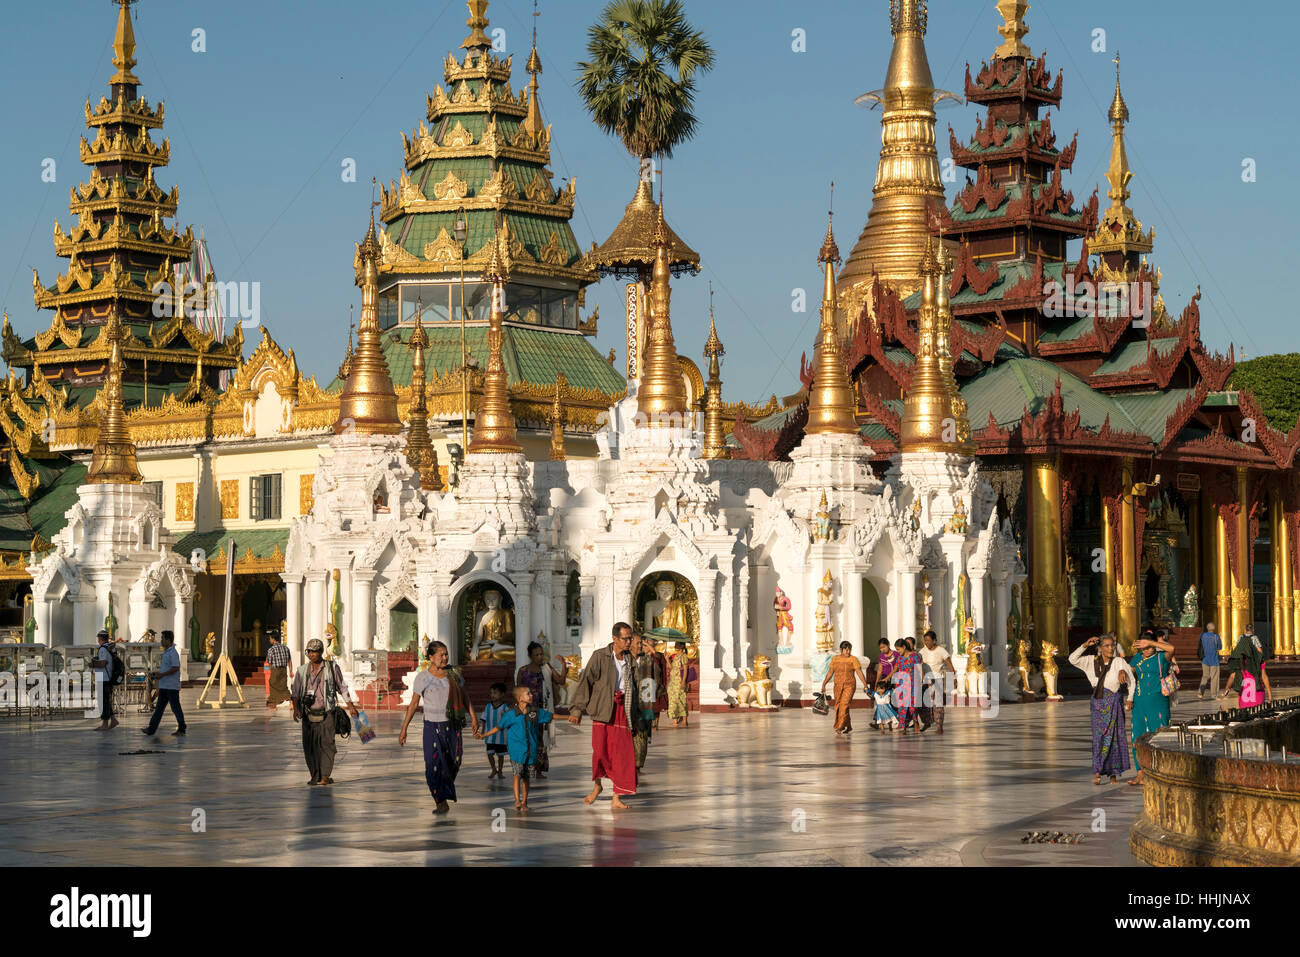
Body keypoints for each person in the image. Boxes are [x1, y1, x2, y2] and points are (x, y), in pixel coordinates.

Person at [399, 640, 479, 814]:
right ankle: (440, 799)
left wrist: (473, 717)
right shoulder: (423, 677)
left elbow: (465, 697)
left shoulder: (455, 674)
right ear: (431, 657)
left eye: (446, 654)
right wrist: (404, 728)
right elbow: (413, 704)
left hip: (453, 725)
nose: (445, 658)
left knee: (455, 760)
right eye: (441, 654)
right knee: (433, 763)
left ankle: (444, 789)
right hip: (432, 727)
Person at [567, 622, 637, 809]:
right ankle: (597, 787)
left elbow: (636, 688)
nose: (629, 641)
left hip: (624, 709)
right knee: (600, 752)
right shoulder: (600, 657)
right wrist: (576, 710)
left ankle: (616, 797)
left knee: (621, 754)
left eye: (630, 638)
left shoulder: (631, 660)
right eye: (625, 638)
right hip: (603, 709)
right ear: (614, 638)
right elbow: (585, 682)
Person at [290, 638, 359, 787]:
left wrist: (351, 706)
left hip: (327, 712)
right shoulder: (301, 671)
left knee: (327, 744)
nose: (312, 654)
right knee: (309, 746)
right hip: (308, 714)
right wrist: (296, 709)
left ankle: (325, 775)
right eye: (310, 652)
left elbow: (342, 687)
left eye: (315, 651)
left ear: (321, 652)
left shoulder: (332, 667)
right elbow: (295, 692)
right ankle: (315, 775)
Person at [1069, 635, 1136, 784]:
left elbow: (1131, 681)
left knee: (1115, 739)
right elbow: (1072, 659)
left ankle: (1113, 774)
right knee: (1099, 738)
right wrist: (1085, 644)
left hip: (1114, 703)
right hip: (1098, 703)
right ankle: (1098, 772)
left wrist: (1130, 698)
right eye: (1107, 646)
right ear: (1099, 649)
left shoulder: (1119, 662)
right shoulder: (1089, 661)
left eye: (1112, 645)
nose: (1111, 648)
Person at [476, 685, 553, 812]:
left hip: (531, 751)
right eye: (528, 693)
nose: (531, 695)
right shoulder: (511, 714)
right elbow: (498, 727)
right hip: (517, 752)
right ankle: (517, 800)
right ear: (520, 698)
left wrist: (570, 717)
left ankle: (524, 801)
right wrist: (484, 735)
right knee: (517, 774)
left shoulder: (535, 712)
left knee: (526, 778)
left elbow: (550, 716)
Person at [1127, 632, 1176, 786]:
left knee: (1159, 735)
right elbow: (1129, 671)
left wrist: (1152, 643)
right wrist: (1123, 671)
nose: (1146, 650)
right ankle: (1140, 772)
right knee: (1137, 736)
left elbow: (1172, 649)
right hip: (1140, 701)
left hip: (1158, 700)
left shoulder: (1161, 657)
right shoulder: (1138, 659)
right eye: (1143, 647)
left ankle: (1160, 772)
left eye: (1148, 646)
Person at [515, 641, 567, 779]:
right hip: (527, 710)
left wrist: (563, 665)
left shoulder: (547, 668)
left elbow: (560, 680)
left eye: (541, 654)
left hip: (542, 709)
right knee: (527, 738)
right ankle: (525, 766)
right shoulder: (523, 671)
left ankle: (538, 769)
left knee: (540, 739)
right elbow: (517, 691)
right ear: (530, 655)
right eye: (536, 654)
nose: (540, 657)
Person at [142, 630, 187, 737]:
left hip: (171, 686)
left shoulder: (173, 653)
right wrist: (159, 674)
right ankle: (151, 729)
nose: (161, 640)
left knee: (175, 708)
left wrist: (162, 675)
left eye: (162, 638)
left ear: (168, 640)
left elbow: (175, 668)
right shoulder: (166, 652)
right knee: (159, 709)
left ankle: (182, 728)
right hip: (164, 685)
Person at [821, 641, 869, 736]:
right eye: (846, 649)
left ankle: (840, 726)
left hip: (850, 685)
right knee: (838, 705)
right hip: (838, 685)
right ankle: (848, 725)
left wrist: (865, 684)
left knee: (844, 704)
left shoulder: (853, 659)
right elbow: (830, 672)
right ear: (841, 650)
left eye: (849, 649)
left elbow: (859, 672)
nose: (848, 651)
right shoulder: (835, 659)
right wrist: (824, 684)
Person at [631, 634, 661, 769]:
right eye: (637, 644)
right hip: (628, 703)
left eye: (641, 644)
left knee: (642, 733)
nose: (640, 646)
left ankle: (637, 765)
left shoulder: (647, 660)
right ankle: (629, 763)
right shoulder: (624, 660)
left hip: (644, 703)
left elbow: (657, 675)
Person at [1221, 630, 1273, 709]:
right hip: (1256, 693)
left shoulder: (1238, 661)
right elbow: (1264, 677)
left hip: (1245, 696)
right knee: (1257, 715)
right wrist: (1270, 695)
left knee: (1245, 716)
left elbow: (1232, 676)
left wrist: (1227, 687)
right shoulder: (1258, 661)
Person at [919, 630, 956, 734]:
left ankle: (939, 726)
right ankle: (927, 721)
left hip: (937, 679)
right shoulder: (922, 651)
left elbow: (949, 664)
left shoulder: (941, 651)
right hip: (925, 680)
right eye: (925, 640)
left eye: (928, 640)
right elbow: (918, 665)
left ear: (934, 641)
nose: (926, 642)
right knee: (923, 703)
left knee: (938, 704)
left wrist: (953, 678)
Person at [892, 637, 924, 734]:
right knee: (902, 707)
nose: (897, 652)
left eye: (898, 649)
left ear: (904, 647)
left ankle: (915, 721)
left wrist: (923, 682)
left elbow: (920, 669)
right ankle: (903, 728)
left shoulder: (915, 657)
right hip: (901, 685)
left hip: (914, 684)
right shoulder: (899, 659)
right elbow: (896, 671)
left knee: (912, 706)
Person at [479, 682, 510, 779]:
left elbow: (509, 721)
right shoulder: (488, 706)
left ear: (502, 694)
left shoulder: (505, 708)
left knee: (501, 755)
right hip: (489, 736)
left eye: (495, 693)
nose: (492, 695)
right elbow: (483, 719)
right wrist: (483, 732)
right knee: (489, 753)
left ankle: (500, 771)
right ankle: (493, 769)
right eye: (491, 693)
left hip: (501, 737)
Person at [92, 630, 118, 731]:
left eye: (98, 638)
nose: (98, 640)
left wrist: (92, 664)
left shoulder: (103, 649)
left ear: (100, 639)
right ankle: (113, 719)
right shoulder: (110, 648)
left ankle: (105, 724)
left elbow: (103, 663)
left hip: (104, 678)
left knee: (104, 702)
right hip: (105, 677)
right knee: (106, 700)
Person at [264, 627, 294, 713]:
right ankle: (290, 699)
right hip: (284, 669)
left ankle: (274, 705)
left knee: (272, 685)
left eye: (270, 638)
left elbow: (269, 662)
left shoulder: (271, 649)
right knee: (283, 686)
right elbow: (289, 660)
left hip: (275, 669)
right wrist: (291, 671)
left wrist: (271, 670)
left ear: (273, 639)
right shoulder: (286, 648)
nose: (270, 640)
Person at [666, 640, 691, 728]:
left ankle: (684, 720)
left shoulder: (683, 656)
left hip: (679, 681)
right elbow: (671, 668)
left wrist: (683, 681)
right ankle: (675, 720)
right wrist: (667, 659)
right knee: (673, 700)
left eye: (677, 646)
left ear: (681, 647)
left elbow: (685, 670)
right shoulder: (676, 656)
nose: (676, 647)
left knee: (681, 700)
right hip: (673, 682)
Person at [1197, 621, 1221, 700]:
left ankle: (1200, 692)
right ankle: (1214, 695)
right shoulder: (1216, 636)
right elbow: (1220, 647)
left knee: (1205, 676)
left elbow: (1199, 644)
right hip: (1214, 660)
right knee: (1214, 678)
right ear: (1213, 628)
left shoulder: (1202, 635)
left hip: (1205, 659)